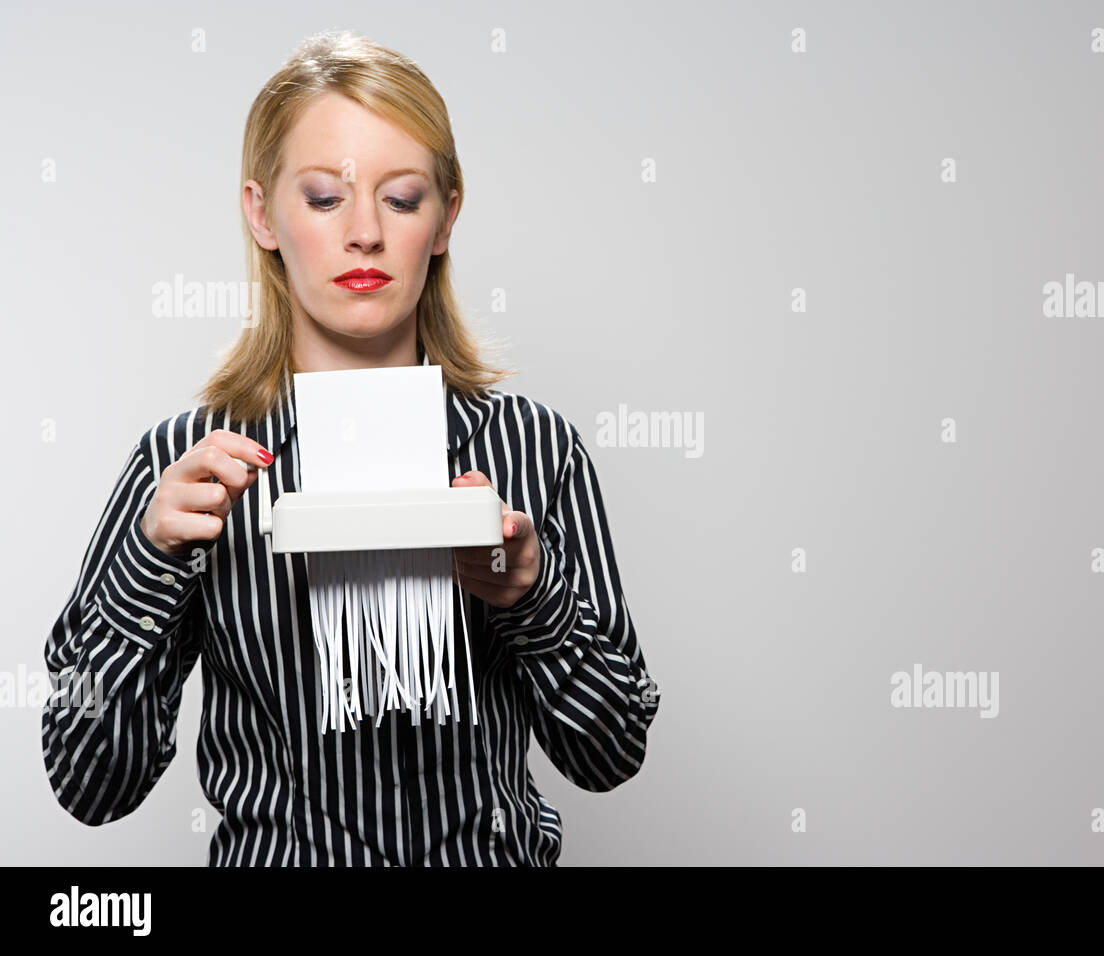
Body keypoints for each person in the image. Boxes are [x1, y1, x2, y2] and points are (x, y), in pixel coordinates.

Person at [40, 29, 660, 866]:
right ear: (263, 213)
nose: (364, 232)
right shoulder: (185, 464)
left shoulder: (534, 447)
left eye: (401, 199)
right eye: (326, 198)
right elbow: (87, 784)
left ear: (445, 218)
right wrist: (148, 563)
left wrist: (530, 596)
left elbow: (613, 752)